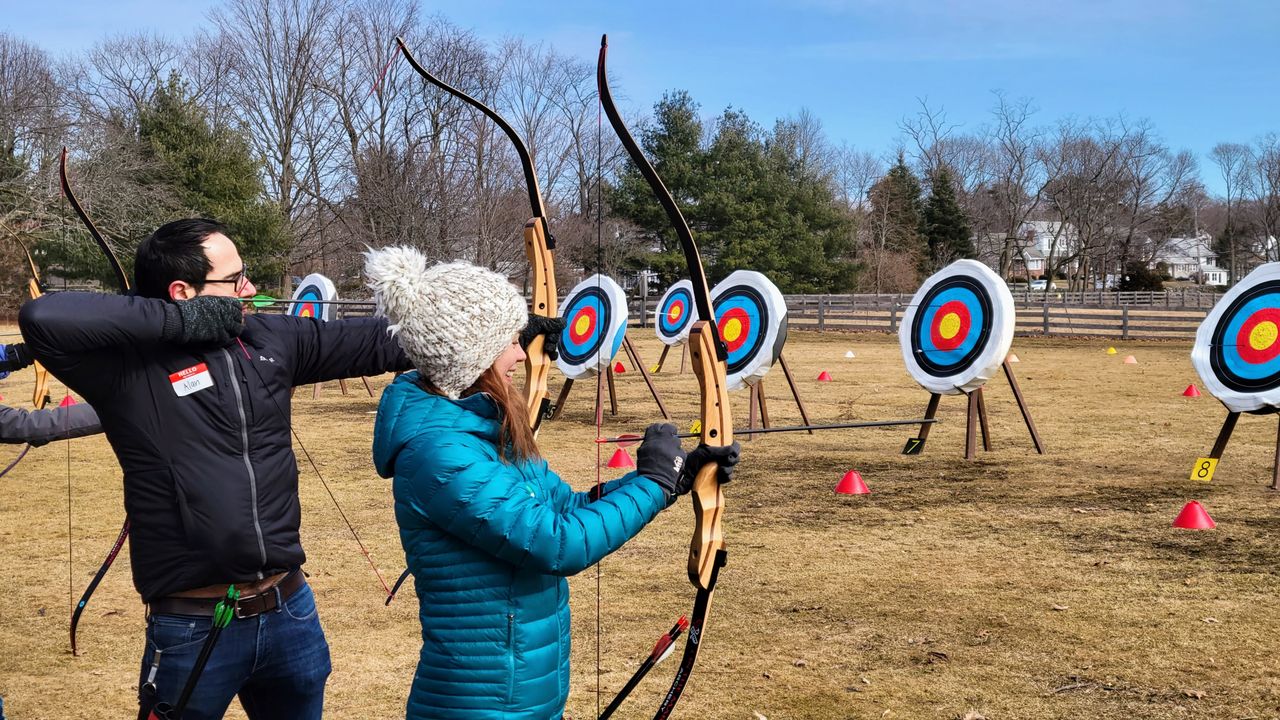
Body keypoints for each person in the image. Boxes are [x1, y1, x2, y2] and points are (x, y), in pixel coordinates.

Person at [18, 218, 413, 720]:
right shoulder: (126, 366)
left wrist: (492, 319)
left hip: (289, 608)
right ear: (183, 293)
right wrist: (182, 324)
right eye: (235, 279)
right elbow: (43, 316)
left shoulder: (268, 337)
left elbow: (385, 341)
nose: (249, 288)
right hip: (191, 626)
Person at [365, 247, 740, 720]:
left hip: (523, 695)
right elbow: (557, 543)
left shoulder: (481, 428)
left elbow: (565, 507)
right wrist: (654, 483)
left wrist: (675, 480)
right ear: (472, 356)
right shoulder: (439, 453)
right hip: (480, 705)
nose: (521, 354)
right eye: (509, 341)